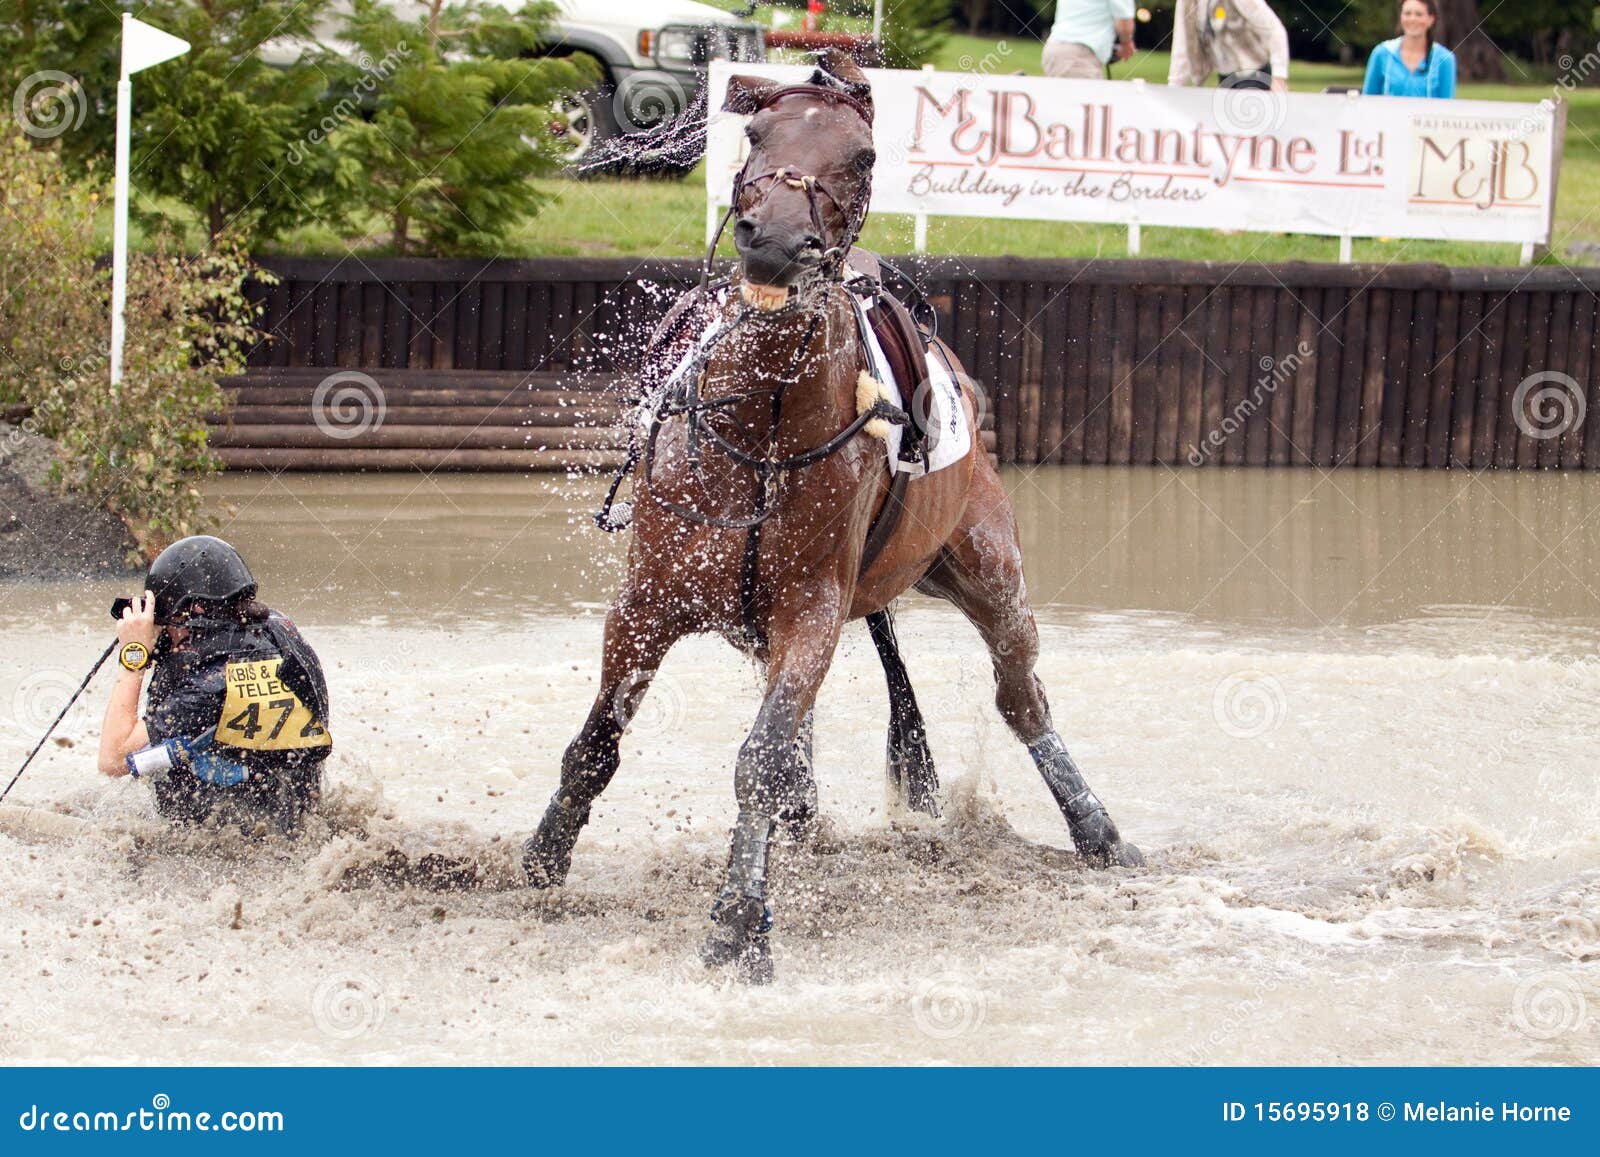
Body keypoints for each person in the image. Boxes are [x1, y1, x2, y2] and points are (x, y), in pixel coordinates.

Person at [96, 535, 333, 831]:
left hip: (224, 837)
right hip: (295, 816)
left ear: (192, 613)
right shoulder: (279, 629)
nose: (164, 633)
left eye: (166, 622)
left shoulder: (204, 684)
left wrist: (134, 656)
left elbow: (113, 758)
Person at [1169, 0, 1290, 92]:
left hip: (1254, 72)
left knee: (1243, 122)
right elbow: (1182, 43)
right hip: (1225, 75)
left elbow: (1274, 30)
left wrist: (1278, 77)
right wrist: (1174, 87)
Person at [1363, 0, 1456, 99]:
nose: (1412, 19)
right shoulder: (1381, 53)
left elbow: (1447, 107)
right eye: (1407, 13)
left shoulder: (1445, 59)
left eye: (1419, 14)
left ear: (1431, 19)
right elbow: (1368, 101)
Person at [1043, 0, 1137, 80]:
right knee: (1088, 100)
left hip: (1056, 49)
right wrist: (1126, 44)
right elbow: (1124, 24)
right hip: (1078, 57)